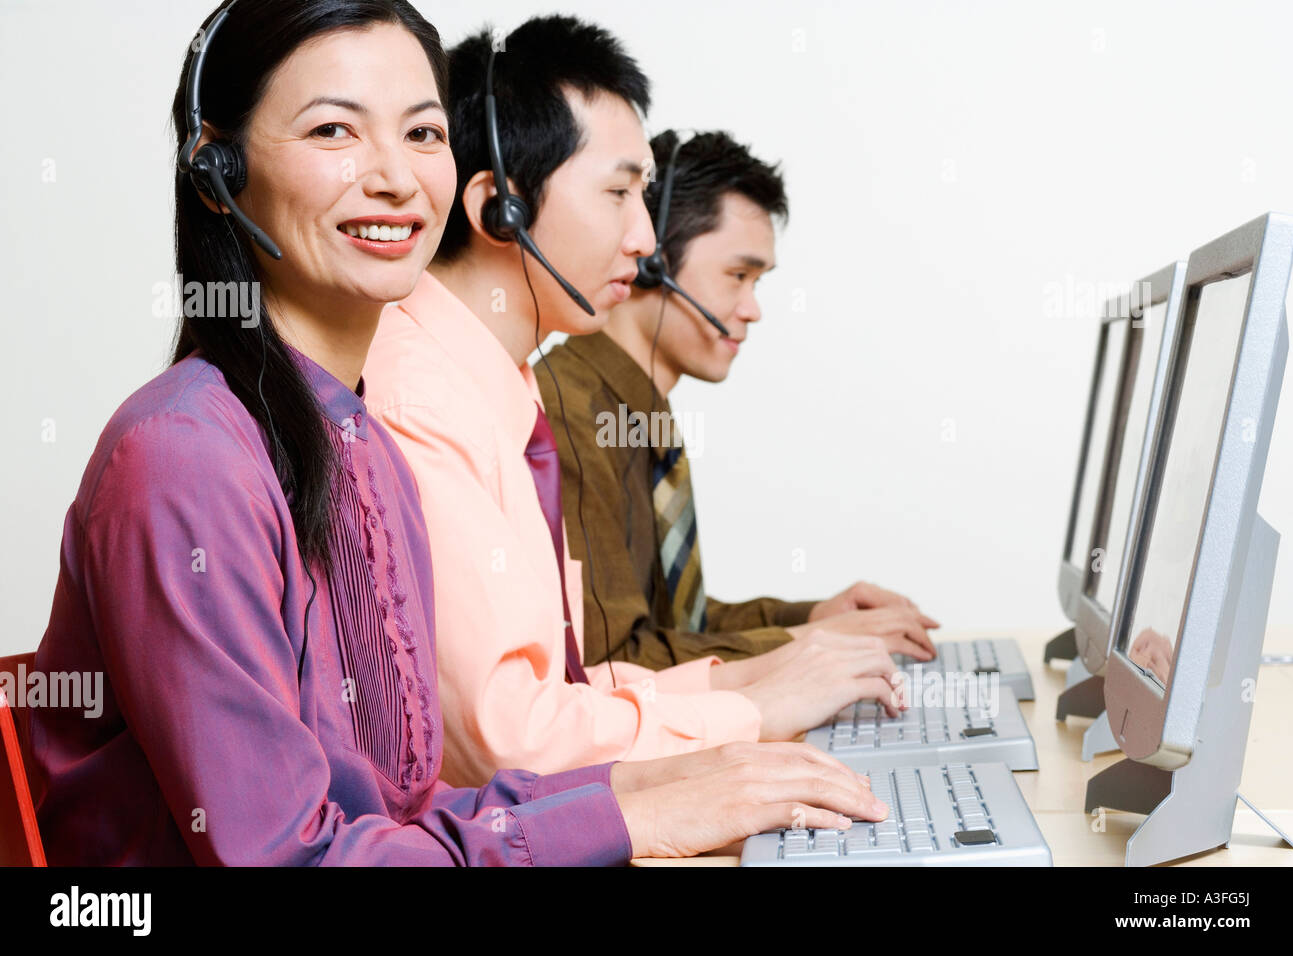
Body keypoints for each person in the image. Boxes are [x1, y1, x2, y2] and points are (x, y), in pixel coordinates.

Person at [28, 0, 884, 866]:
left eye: (424, 134)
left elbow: (406, 800)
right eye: (334, 131)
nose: (396, 178)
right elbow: (291, 857)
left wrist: (659, 789)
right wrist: (629, 818)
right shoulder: (186, 458)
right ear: (219, 171)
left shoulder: (358, 443)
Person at [363, 16, 904, 789]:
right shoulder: (423, 402)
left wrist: (758, 681)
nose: (646, 242)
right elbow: (508, 741)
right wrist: (755, 705)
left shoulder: (497, 392)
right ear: (500, 209)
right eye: (618, 193)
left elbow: (569, 688)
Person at [537, 130, 941, 673]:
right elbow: (613, 661)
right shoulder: (572, 417)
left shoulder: (634, 414)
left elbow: (675, 630)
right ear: (652, 260)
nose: (752, 309)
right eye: (737, 276)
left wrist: (815, 618)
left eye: (757, 282)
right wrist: (811, 646)